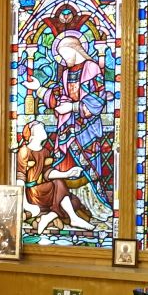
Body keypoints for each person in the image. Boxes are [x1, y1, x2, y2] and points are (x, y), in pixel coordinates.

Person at [23, 33, 110, 212]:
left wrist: (72, 107)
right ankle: (68, 208)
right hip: (67, 130)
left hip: (87, 130)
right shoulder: (66, 73)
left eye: (65, 55)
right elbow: (58, 98)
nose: (63, 59)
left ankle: (93, 205)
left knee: (88, 167)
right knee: (65, 167)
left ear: (74, 50)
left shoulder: (91, 68)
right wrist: (38, 89)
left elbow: (97, 100)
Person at [16, 120, 92, 233]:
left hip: (46, 190)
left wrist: (67, 173)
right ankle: (73, 218)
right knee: (59, 184)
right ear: (32, 135)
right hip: (33, 192)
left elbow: (48, 173)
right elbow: (20, 177)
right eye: (40, 129)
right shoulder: (24, 151)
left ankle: (49, 217)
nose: (44, 130)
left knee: (74, 201)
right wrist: (26, 204)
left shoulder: (45, 151)